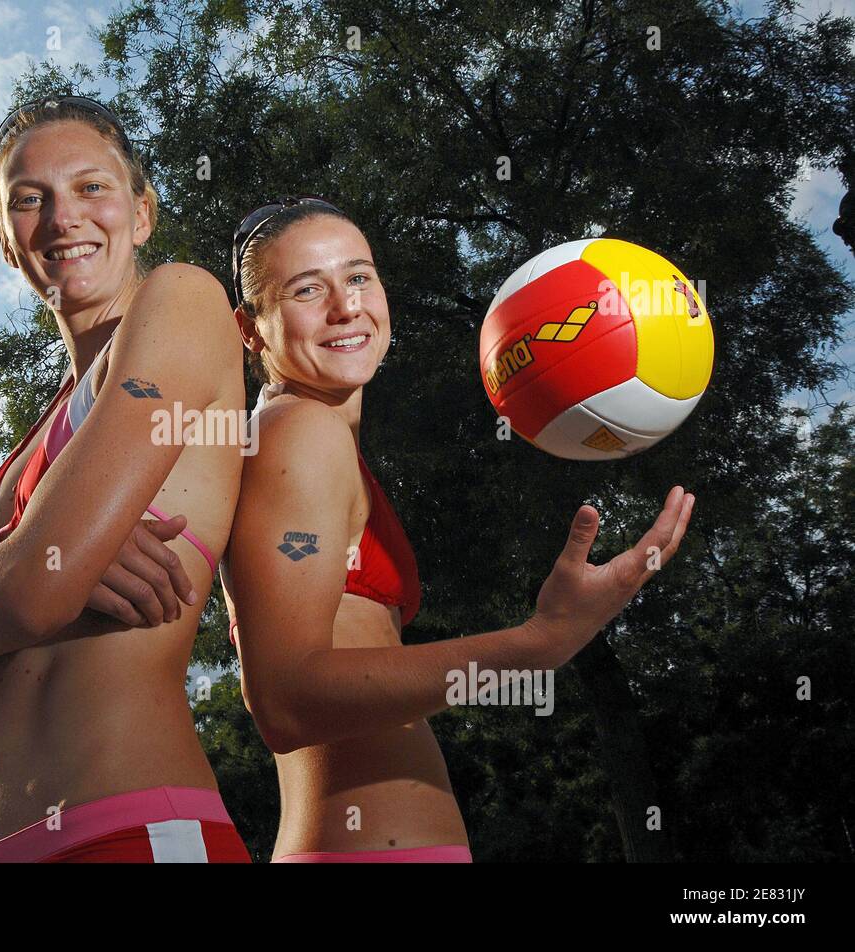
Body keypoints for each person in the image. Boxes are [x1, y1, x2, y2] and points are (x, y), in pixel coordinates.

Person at [220, 196, 696, 862]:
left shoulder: (314, 437)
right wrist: (539, 643)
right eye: (305, 290)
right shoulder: (299, 430)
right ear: (251, 330)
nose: (346, 306)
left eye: (359, 276)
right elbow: (286, 702)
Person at [0, 97, 250, 862]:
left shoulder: (184, 298)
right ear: (7, 243)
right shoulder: (32, 448)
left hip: (130, 831)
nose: (64, 218)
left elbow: (30, 592)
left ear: (141, 213)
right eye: (30, 199)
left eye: (92, 188)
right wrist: (32, 573)